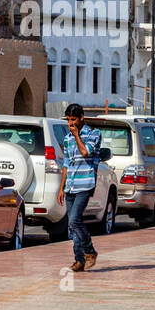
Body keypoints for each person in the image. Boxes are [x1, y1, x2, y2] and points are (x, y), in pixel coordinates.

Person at [56, 104, 102, 272]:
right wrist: (61, 188)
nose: (70, 124)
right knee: (72, 224)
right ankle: (79, 260)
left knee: (75, 220)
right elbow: (66, 164)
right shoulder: (67, 138)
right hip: (71, 185)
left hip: (86, 183)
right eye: (68, 120)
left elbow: (85, 152)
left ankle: (90, 251)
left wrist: (76, 135)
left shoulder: (94, 134)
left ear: (82, 117)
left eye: (73, 119)